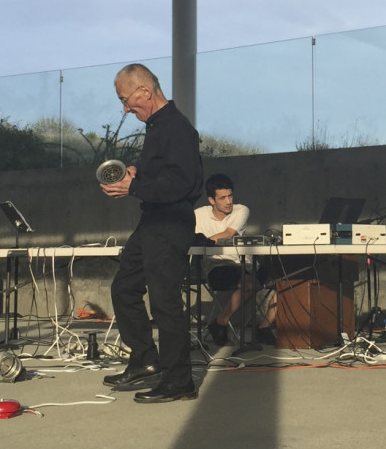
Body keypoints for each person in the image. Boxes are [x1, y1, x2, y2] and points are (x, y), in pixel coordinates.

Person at [100, 63, 204, 403]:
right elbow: (161, 169)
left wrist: (134, 187)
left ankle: (179, 381)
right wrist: (136, 170)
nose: (126, 109)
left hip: (171, 221)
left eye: (127, 100)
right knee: (125, 287)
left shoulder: (176, 127)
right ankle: (145, 361)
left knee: (164, 301)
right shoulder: (157, 127)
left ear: (145, 91)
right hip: (153, 221)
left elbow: (182, 182)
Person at [194, 173, 277, 345]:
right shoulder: (197, 215)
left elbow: (228, 234)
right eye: (222, 198)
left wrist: (205, 240)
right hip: (218, 265)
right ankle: (220, 322)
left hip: (247, 262)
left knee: (287, 280)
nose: (228, 201)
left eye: (230, 196)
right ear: (211, 200)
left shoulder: (242, 210)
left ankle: (264, 327)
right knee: (249, 284)